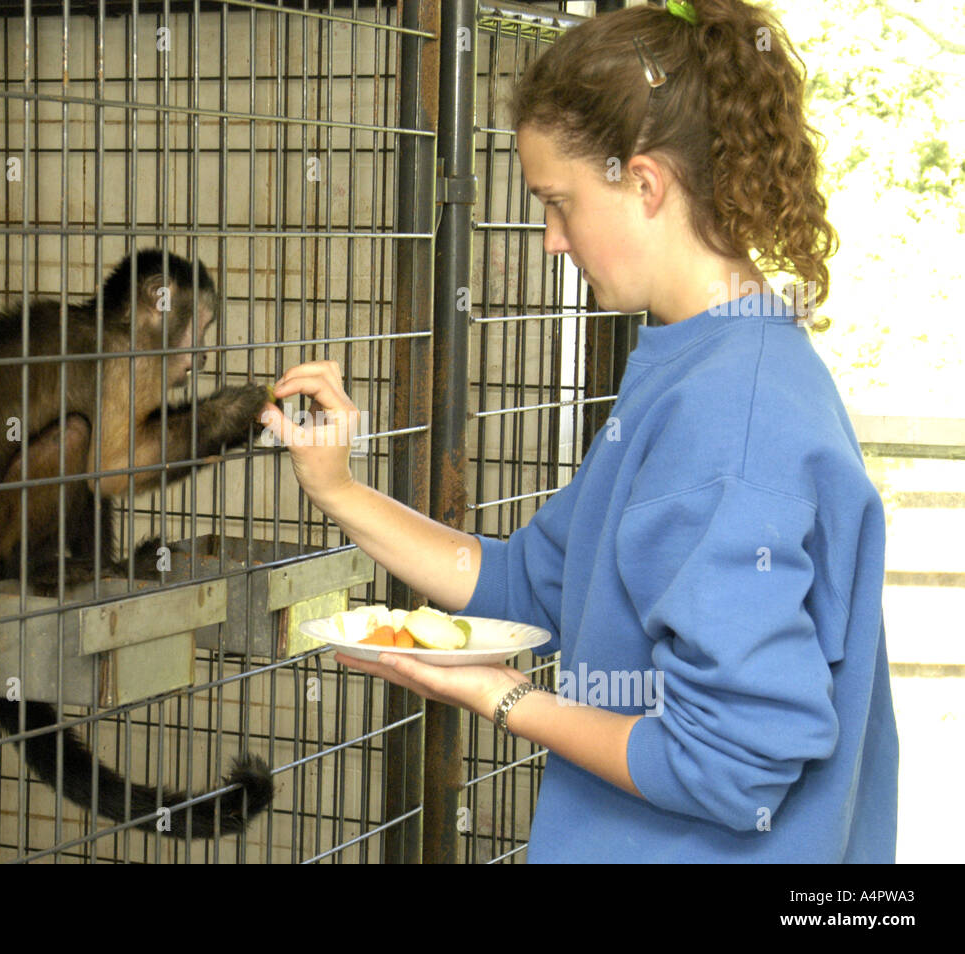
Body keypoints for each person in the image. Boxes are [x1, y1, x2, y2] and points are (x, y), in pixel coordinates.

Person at [258, 0, 898, 863]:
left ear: (645, 183)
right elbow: (529, 584)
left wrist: (504, 701)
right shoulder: (692, 360)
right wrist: (338, 487)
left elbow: (730, 767)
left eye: (559, 202)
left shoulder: (730, 414)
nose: (552, 240)